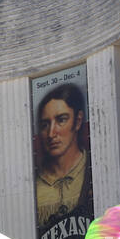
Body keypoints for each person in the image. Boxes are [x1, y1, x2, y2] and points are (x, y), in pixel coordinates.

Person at [35, 82, 92, 227]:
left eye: (61, 120)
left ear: (78, 121)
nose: (51, 133)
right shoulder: (36, 184)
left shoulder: (91, 171)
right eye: (45, 124)